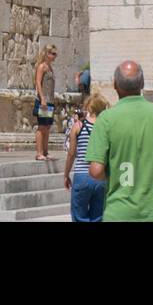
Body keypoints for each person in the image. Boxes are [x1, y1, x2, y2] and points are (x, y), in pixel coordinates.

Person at [85, 60, 153, 222]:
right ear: (142, 83)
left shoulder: (106, 119)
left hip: (118, 213)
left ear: (114, 85)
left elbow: (96, 171)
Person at [63, 93, 109, 221]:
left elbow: (71, 154)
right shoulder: (106, 127)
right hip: (101, 177)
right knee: (98, 216)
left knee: (79, 216)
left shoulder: (78, 126)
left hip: (82, 176)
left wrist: (66, 174)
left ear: (89, 108)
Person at [33, 44, 57, 161]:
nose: (54, 56)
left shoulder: (50, 68)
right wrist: (42, 98)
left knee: (47, 127)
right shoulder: (42, 67)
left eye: (55, 54)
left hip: (50, 101)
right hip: (43, 101)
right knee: (41, 126)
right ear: (46, 54)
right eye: (52, 53)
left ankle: (45, 152)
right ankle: (39, 153)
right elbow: (37, 82)